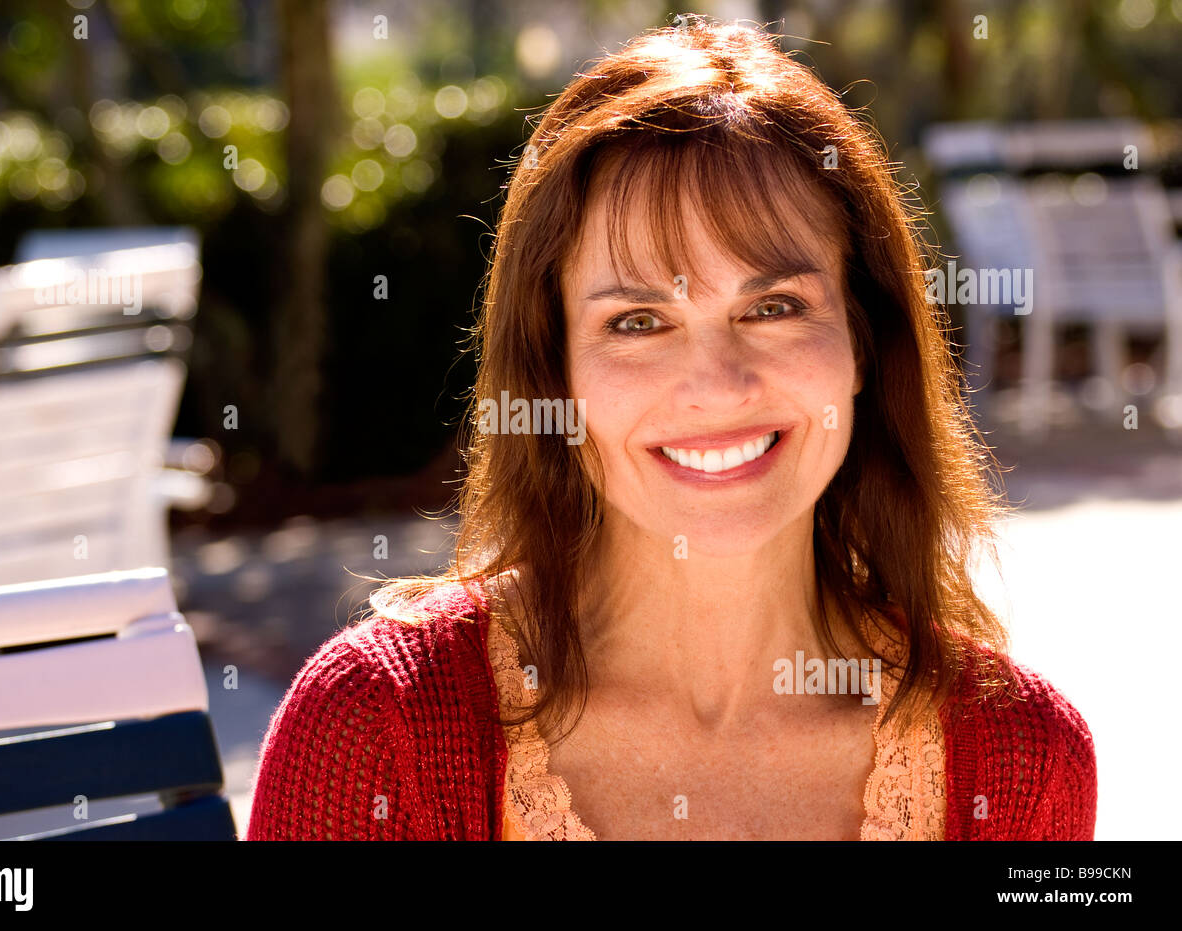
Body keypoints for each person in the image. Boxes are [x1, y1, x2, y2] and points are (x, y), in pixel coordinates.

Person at [246, 16, 1096, 841]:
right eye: (638, 320)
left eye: (773, 307)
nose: (715, 385)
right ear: (557, 372)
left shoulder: (1022, 757)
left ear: (865, 346)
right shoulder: (375, 729)